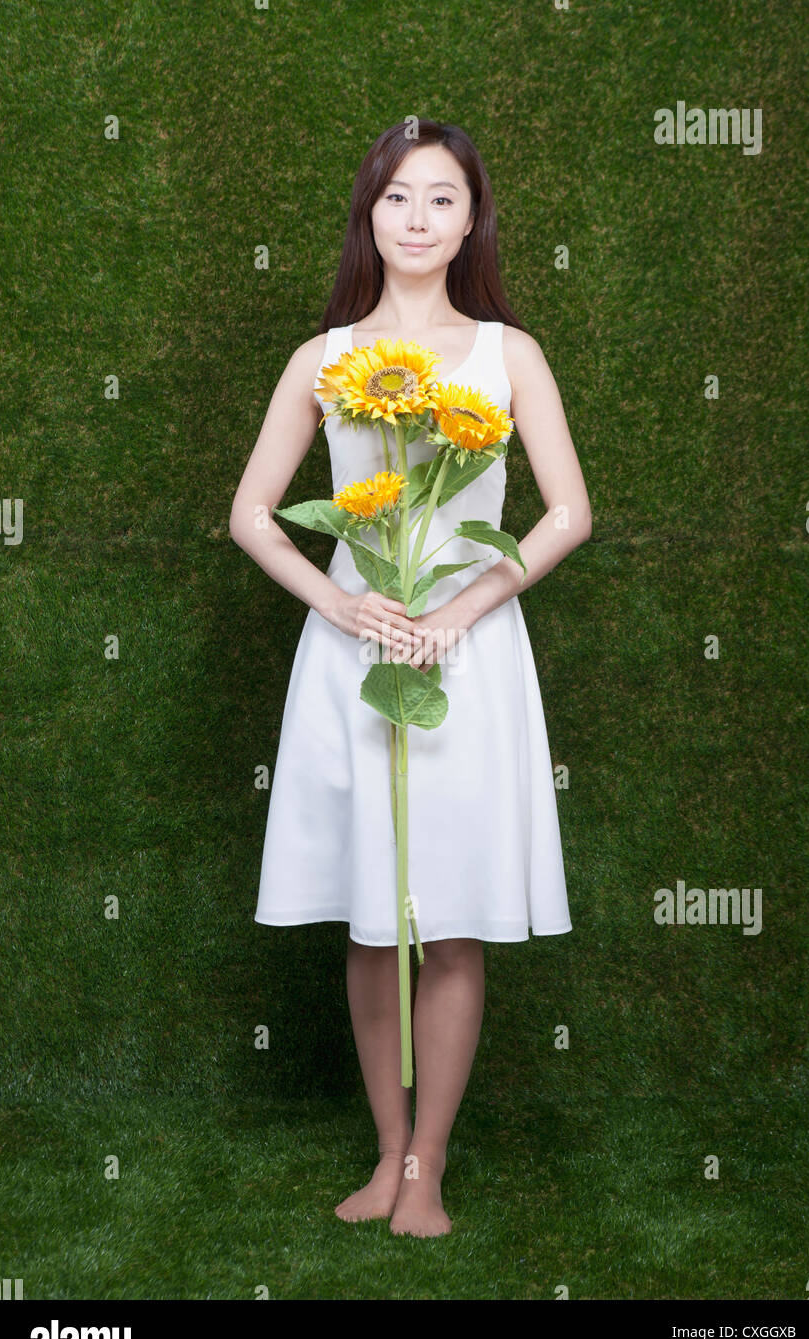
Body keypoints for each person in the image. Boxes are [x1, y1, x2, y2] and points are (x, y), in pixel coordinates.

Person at [229, 120, 591, 1237]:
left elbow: (568, 511)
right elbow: (250, 515)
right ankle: (386, 1156)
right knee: (374, 920)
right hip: (353, 657)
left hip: (466, 662)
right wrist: (342, 603)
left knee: (451, 915)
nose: (419, 219)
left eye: (441, 199)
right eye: (397, 199)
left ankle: (428, 1164)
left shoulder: (506, 354)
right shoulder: (325, 358)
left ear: (470, 219)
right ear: (368, 217)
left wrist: (460, 611)